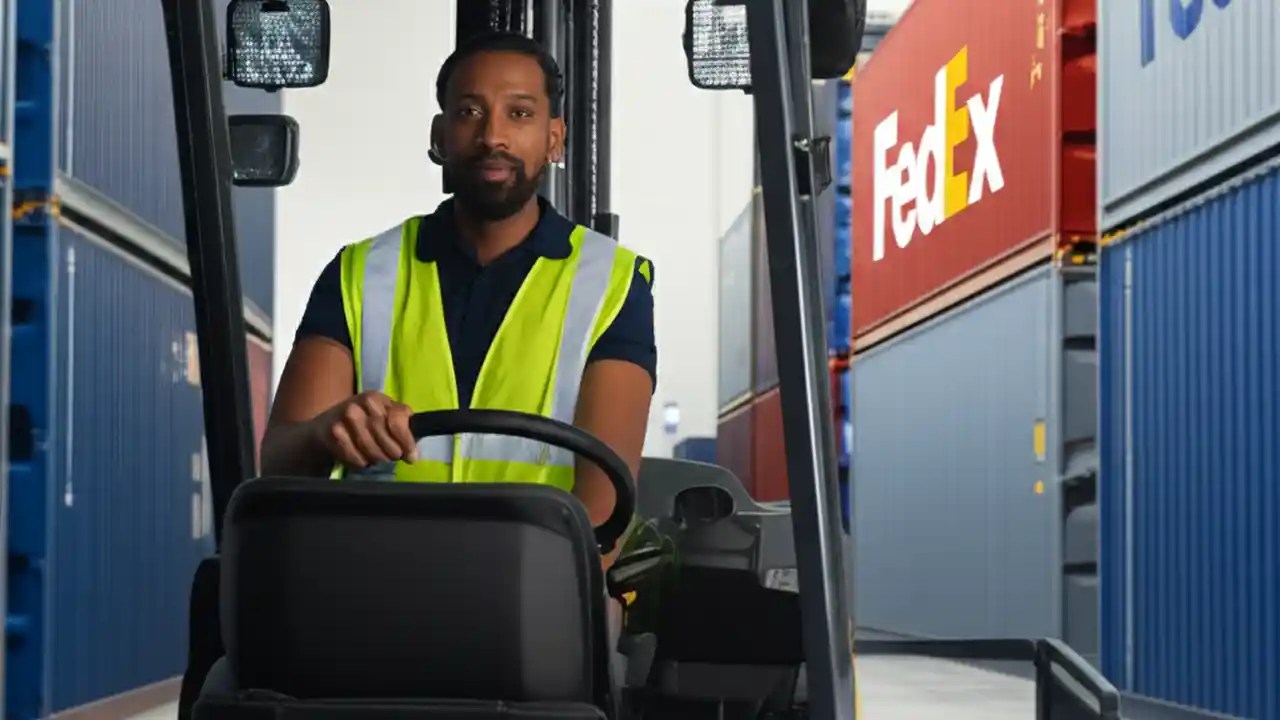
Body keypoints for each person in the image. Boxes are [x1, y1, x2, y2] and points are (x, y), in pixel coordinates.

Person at [259, 31, 657, 554]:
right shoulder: (360, 273)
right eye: (470, 112)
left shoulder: (614, 283)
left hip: (533, 598)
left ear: (554, 139)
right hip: (372, 589)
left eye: (519, 114)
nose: (493, 136)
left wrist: (554, 620)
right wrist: (326, 431)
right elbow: (280, 459)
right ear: (440, 135)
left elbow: (604, 513)